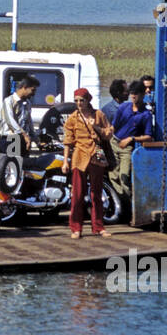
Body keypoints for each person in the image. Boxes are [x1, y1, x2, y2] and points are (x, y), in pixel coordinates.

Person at [61, 88, 114, 239]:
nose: (79, 103)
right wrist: (65, 161)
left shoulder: (99, 115)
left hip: (96, 155)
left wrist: (95, 127)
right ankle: (76, 228)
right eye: (76, 100)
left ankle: (98, 227)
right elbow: (68, 142)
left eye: (81, 100)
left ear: (88, 100)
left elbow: (108, 134)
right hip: (79, 157)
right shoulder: (72, 118)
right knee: (77, 195)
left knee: (96, 194)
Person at [108, 77, 160, 202]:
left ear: (142, 95)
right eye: (131, 93)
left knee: (124, 176)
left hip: (127, 148)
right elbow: (113, 127)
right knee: (112, 175)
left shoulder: (145, 115)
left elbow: (148, 136)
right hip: (114, 143)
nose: (133, 96)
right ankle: (121, 201)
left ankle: (128, 204)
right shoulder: (123, 108)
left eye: (136, 93)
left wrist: (131, 138)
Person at [0, 74, 39, 154]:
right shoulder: (9, 101)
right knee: (12, 164)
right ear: (24, 87)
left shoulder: (27, 103)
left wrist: (35, 138)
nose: (33, 93)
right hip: (10, 139)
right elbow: (10, 120)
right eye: (32, 90)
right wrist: (23, 134)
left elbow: (28, 121)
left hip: (23, 139)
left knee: (23, 163)